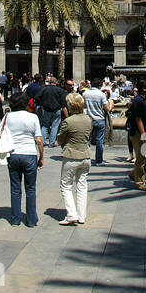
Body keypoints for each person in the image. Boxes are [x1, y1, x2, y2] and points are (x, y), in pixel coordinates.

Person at [2, 90, 44, 227]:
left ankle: (15, 219)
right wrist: (41, 156)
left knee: (15, 188)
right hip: (30, 154)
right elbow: (38, 140)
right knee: (30, 188)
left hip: (13, 154)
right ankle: (31, 220)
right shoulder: (33, 117)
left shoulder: (7, 117)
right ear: (26, 103)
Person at [56, 91, 93, 225]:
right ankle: (82, 216)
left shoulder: (68, 121)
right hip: (86, 155)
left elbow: (60, 139)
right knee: (82, 185)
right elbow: (89, 136)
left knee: (66, 185)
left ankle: (71, 214)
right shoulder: (88, 119)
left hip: (71, 155)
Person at [127, 81, 146, 191]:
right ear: (144, 88)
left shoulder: (143, 99)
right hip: (139, 133)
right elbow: (138, 118)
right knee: (141, 158)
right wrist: (143, 135)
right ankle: (139, 182)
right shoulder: (138, 100)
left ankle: (134, 173)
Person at [82, 80, 110, 165]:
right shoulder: (102, 94)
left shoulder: (85, 93)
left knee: (87, 140)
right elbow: (106, 108)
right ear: (100, 85)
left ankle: (86, 159)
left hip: (88, 119)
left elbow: (83, 105)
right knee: (99, 141)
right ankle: (99, 161)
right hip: (99, 119)